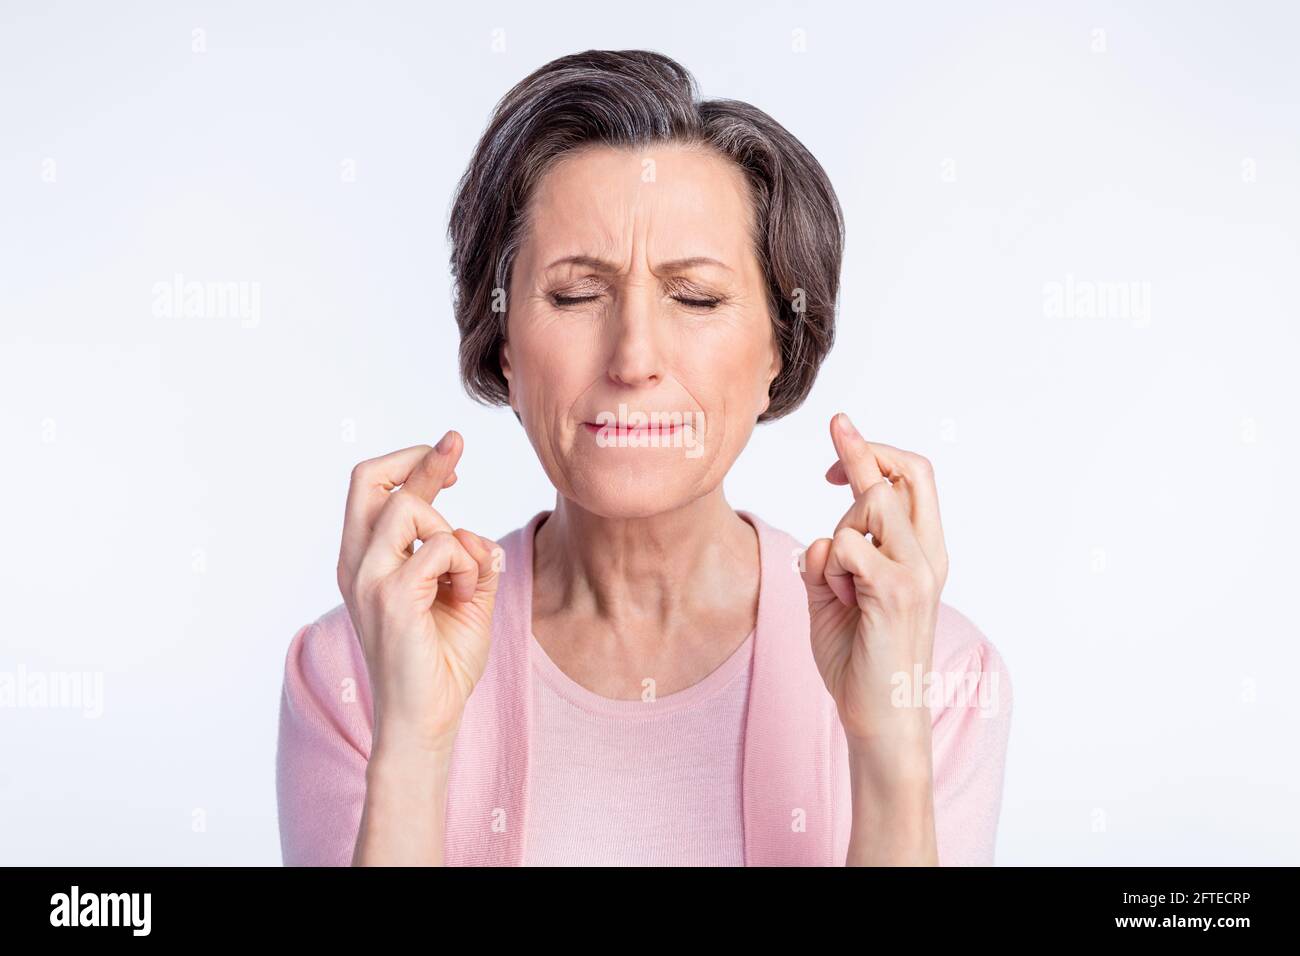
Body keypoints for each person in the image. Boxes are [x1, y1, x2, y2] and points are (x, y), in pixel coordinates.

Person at [276, 49, 1013, 867]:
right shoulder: (352, 668)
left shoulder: (935, 669)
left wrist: (890, 742)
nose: (633, 358)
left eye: (695, 298)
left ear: (779, 347)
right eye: (575, 296)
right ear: (505, 345)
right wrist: (409, 741)